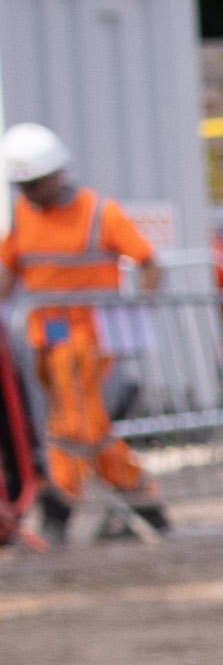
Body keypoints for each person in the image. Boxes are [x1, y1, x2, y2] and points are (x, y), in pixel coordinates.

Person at [1, 127, 165, 542]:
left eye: (36, 183)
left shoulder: (98, 212)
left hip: (89, 337)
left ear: (58, 173)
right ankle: (141, 497)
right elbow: (9, 269)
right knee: (77, 424)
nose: (31, 193)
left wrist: (137, 310)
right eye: (23, 186)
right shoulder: (22, 215)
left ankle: (59, 502)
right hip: (43, 338)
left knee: (74, 423)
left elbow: (147, 260)